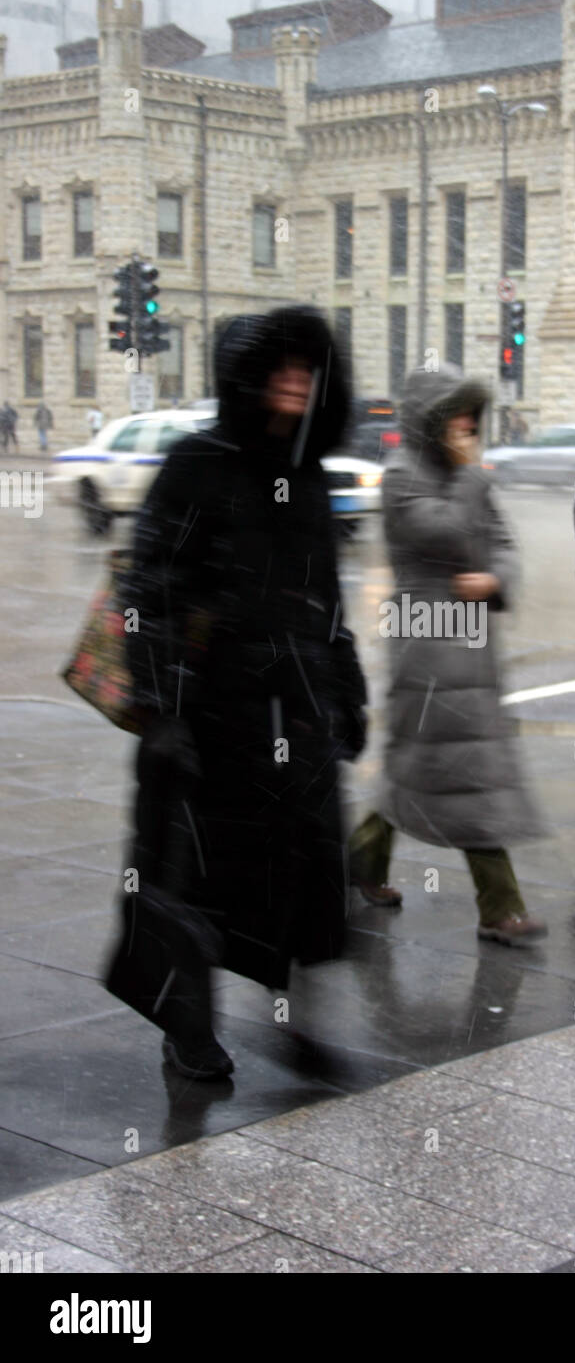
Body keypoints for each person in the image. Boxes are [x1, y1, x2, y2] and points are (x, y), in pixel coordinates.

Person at [105, 307, 367, 1079]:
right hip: (211, 714)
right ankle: (188, 1029)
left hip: (300, 711)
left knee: (312, 875)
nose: (295, 379)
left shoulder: (310, 477)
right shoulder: (197, 464)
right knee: (195, 877)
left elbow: (326, 599)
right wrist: (159, 709)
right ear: (246, 379)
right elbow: (148, 585)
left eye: (307, 368)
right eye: (279, 367)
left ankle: (301, 1023)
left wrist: (346, 691)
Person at [349, 363, 548, 947]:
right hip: (426, 638)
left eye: (471, 413)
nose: (467, 424)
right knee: (465, 769)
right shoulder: (401, 475)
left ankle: (362, 862)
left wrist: (496, 579)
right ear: (432, 418)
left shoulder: (469, 476)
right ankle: (500, 907)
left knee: (421, 766)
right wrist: (468, 478)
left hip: (472, 642)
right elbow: (444, 532)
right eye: (456, 413)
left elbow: (503, 543)